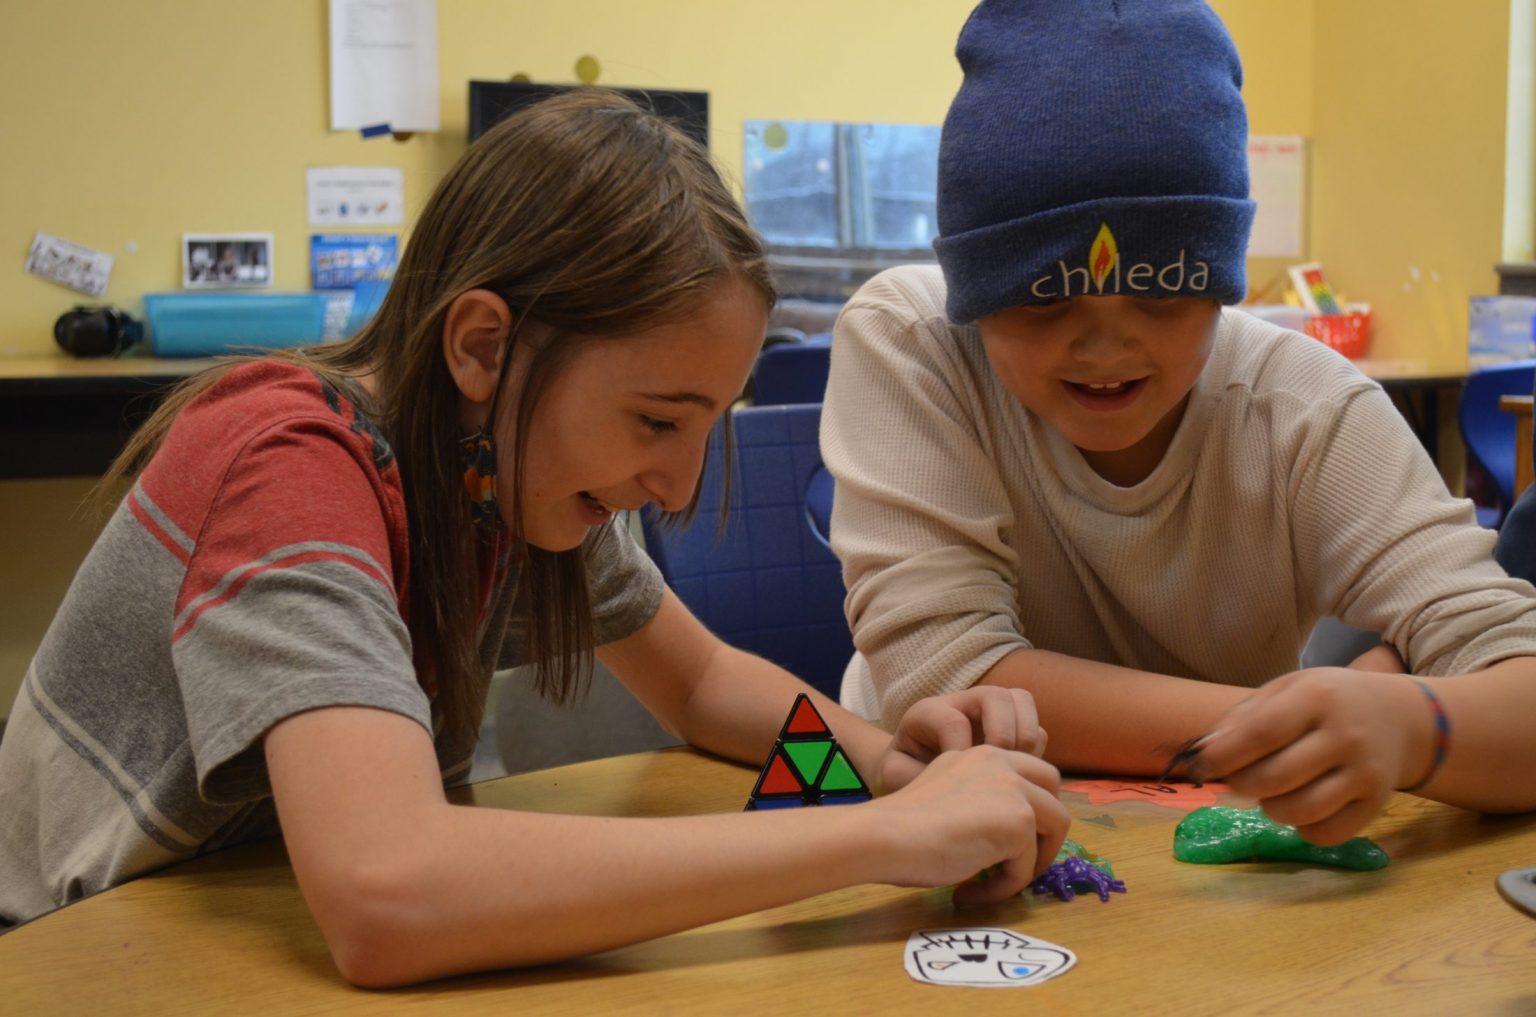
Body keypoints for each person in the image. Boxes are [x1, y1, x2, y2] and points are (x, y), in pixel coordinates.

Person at [0, 92, 1067, 983]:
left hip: (257, 936)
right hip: (72, 959)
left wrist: (895, 762)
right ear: (482, 347)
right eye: (658, 421)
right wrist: (875, 840)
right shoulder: (287, 468)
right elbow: (388, 891)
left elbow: (700, 685)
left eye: (708, 427)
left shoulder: (505, 476)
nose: (677, 483)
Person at [822, 0, 1536, 851]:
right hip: (922, 829)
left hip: (1195, 849)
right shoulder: (912, 339)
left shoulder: (1306, 410)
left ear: (1222, 282)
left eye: (1160, 293)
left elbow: (1516, 685)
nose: (1103, 346)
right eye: (1042, 300)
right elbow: (941, 675)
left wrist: (1417, 726)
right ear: (974, 292)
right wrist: (1298, 726)